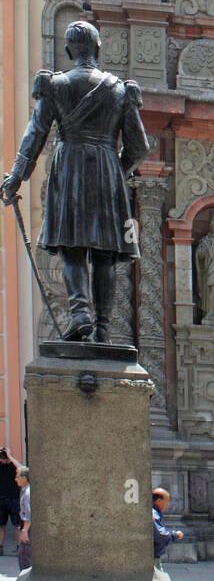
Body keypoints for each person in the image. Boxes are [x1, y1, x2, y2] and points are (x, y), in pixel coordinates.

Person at [0, 21, 150, 343]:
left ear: (69, 51)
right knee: (105, 252)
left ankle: (80, 312)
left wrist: (16, 179)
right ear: (98, 49)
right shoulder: (122, 90)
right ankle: (103, 328)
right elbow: (139, 147)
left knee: (72, 245)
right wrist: (117, 171)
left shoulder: (55, 86)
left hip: (69, 167)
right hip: (107, 167)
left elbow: (35, 135)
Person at [152, 487, 183, 571]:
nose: (168, 504)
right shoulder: (153, 514)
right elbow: (161, 536)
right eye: (167, 501)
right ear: (158, 501)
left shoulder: (154, 512)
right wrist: (175, 535)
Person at [0, 446, 22, 555]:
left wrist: (10, 456)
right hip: (1, 499)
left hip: (14, 498)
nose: (2, 459)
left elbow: (21, 469)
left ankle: (19, 547)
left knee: (17, 525)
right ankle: (0, 548)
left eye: (4, 457)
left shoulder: (13, 466)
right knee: (1, 525)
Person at [16, 465, 31, 571]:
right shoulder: (25, 490)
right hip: (26, 527)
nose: (15, 479)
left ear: (24, 478)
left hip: (28, 528)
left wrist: (25, 530)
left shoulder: (27, 493)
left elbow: (29, 513)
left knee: (24, 555)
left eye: (17, 476)